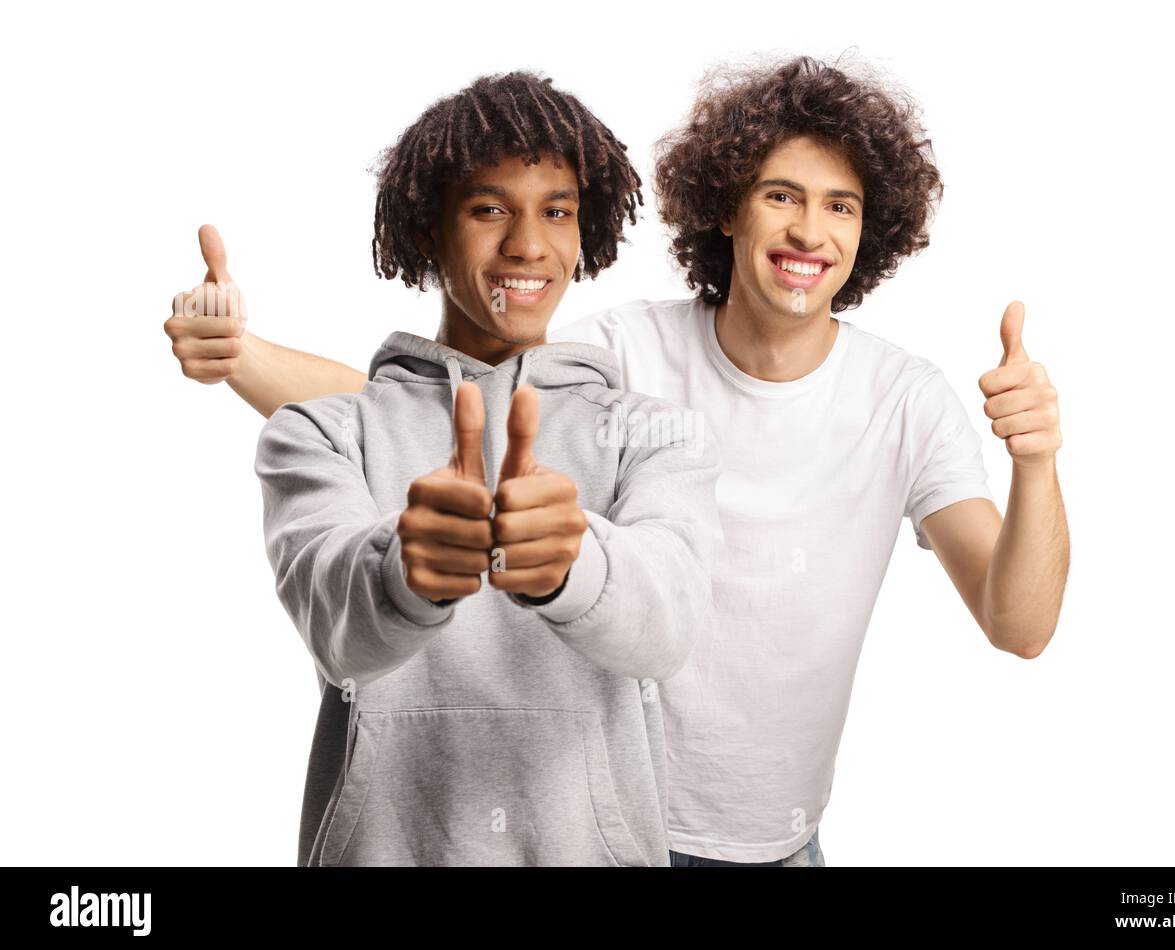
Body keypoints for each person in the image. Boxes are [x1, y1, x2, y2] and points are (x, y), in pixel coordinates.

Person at [166, 55, 1068, 866]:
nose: (809, 231)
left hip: (780, 835)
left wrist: (1037, 460)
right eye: (781, 195)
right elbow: (438, 398)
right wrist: (241, 354)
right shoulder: (621, 358)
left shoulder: (904, 398)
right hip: (619, 822)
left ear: (871, 231)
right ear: (728, 206)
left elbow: (1017, 622)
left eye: (841, 206)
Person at [182, 70, 725, 866]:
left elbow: (669, 626)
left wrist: (575, 560)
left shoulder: (653, 433)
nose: (528, 245)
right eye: (489, 209)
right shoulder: (318, 432)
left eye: (557, 211)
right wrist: (406, 572)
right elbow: (334, 625)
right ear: (429, 231)